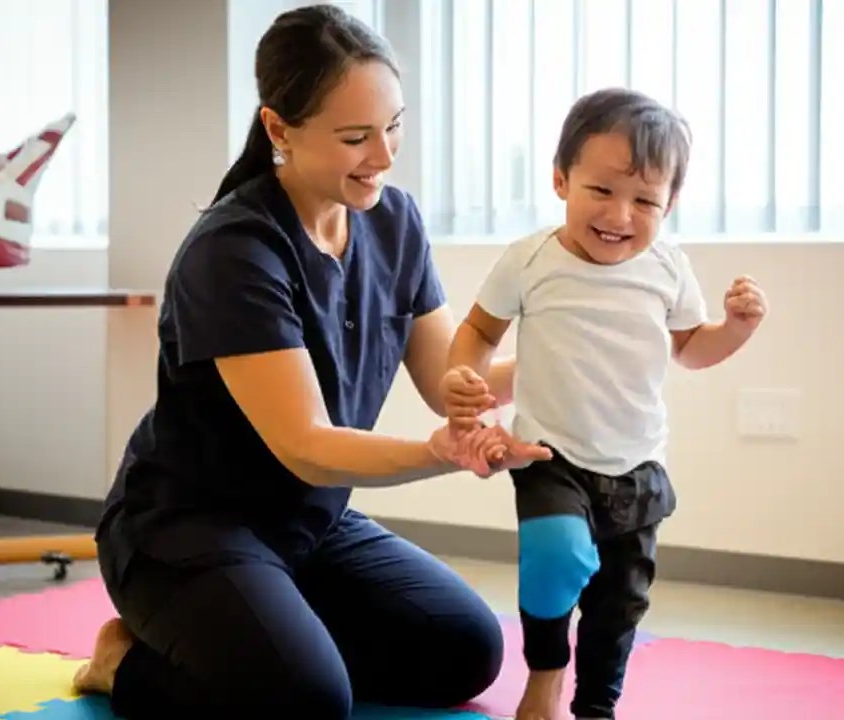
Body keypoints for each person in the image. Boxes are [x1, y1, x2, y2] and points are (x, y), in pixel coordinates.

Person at [70, 6, 550, 719]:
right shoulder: (234, 251)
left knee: (467, 650)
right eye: (357, 137)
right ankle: (123, 662)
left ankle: (267, 633)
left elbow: (446, 376)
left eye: (394, 127)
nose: (385, 156)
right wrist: (440, 452)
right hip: (187, 530)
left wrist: (580, 355)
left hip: (308, 527)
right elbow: (307, 448)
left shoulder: (395, 220)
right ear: (279, 131)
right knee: (307, 704)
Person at [446, 88, 769, 720]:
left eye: (645, 200)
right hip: (548, 452)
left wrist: (736, 329)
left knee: (618, 605)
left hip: (637, 465)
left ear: (670, 203)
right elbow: (480, 330)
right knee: (555, 555)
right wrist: (464, 378)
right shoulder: (531, 259)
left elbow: (691, 351)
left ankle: (596, 706)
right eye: (601, 191)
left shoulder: (668, 268)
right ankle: (544, 679)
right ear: (562, 180)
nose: (620, 214)